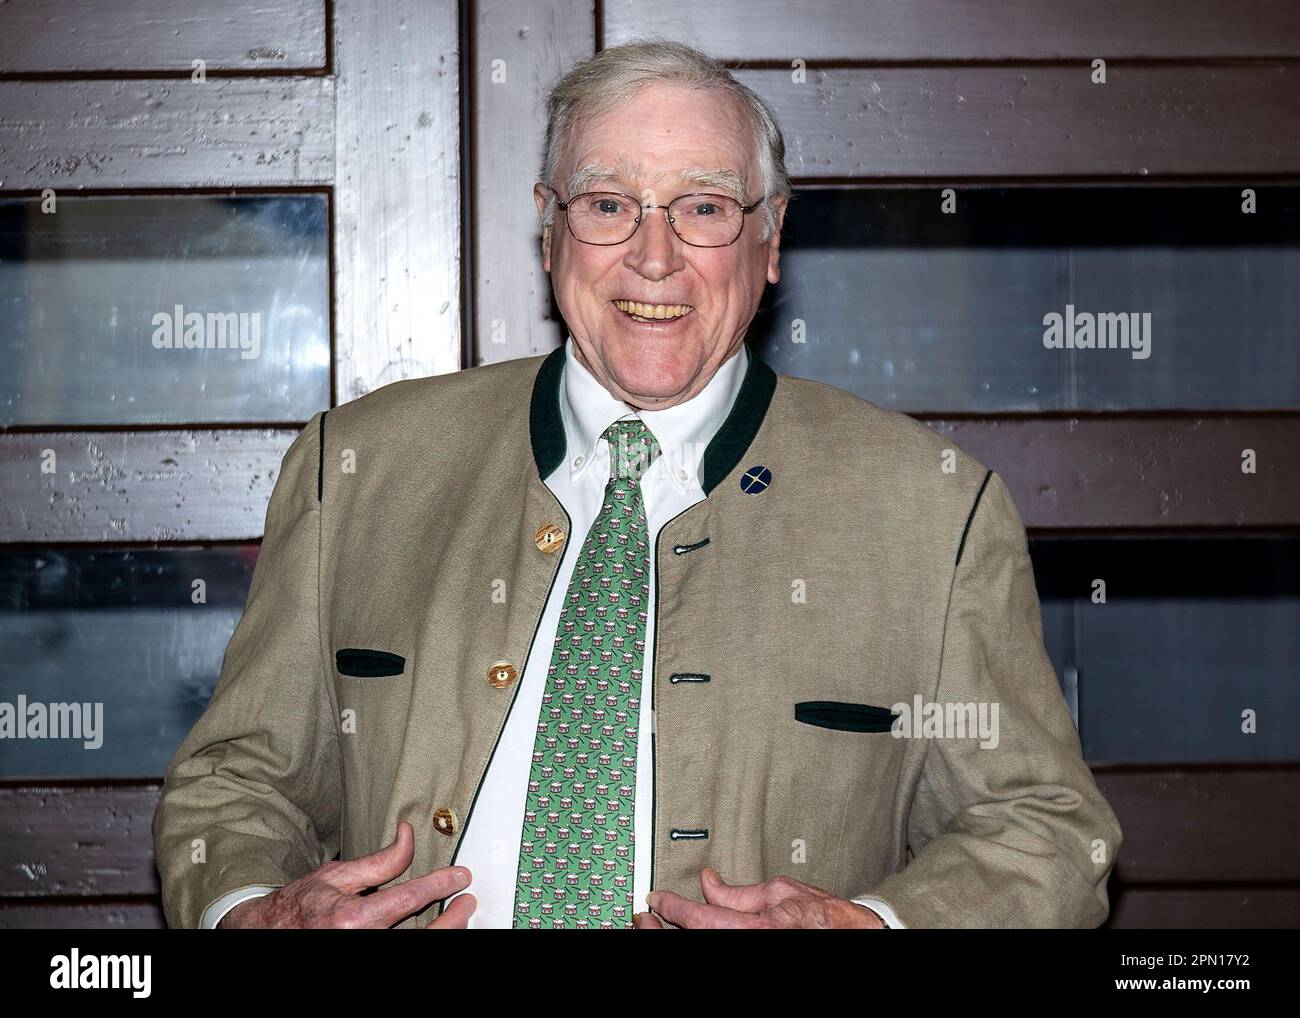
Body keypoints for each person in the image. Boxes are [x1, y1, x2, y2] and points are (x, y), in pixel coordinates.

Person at [153, 39, 1121, 929]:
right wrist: (252, 910)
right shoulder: (357, 467)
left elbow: (1047, 832)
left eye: (702, 207)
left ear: (770, 238)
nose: (652, 257)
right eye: (609, 204)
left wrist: (867, 926)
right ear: (549, 232)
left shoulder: (930, 511)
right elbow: (234, 780)